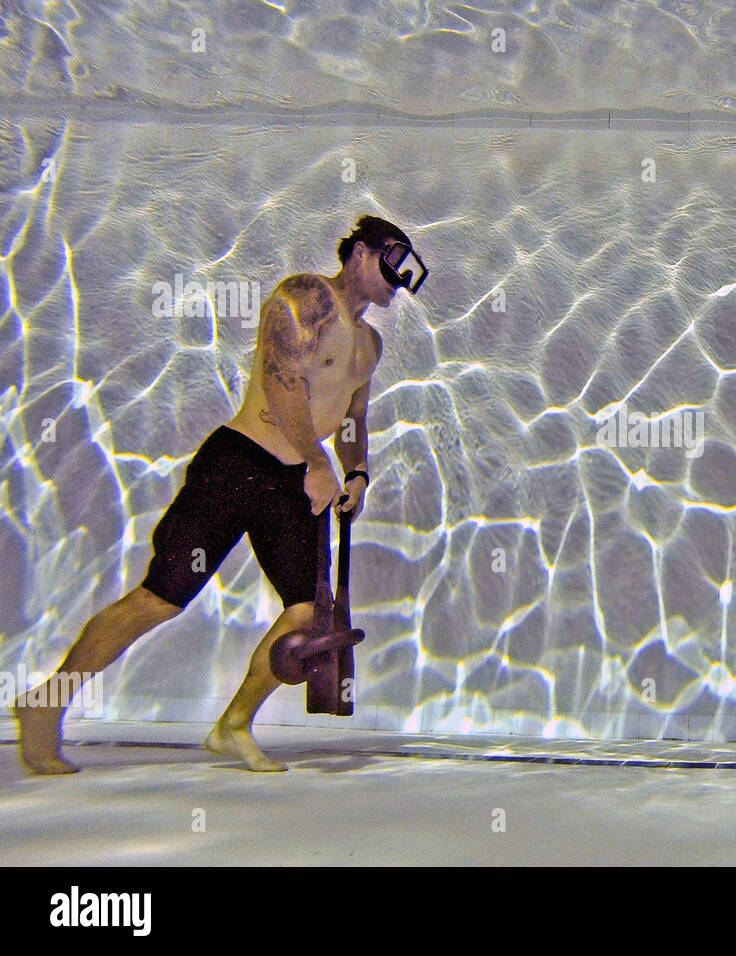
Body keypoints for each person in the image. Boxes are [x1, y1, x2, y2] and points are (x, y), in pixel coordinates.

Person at [14, 215, 427, 773]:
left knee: (305, 618)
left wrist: (356, 473)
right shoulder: (306, 296)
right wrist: (319, 461)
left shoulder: (369, 346)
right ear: (360, 253)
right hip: (238, 465)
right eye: (393, 261)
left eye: (407, 270)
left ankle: (233, 727)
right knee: (160, 598)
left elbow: (353, 420)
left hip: (298, 486)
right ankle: (45, 704)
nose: (398, 279)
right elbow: (284, 384)